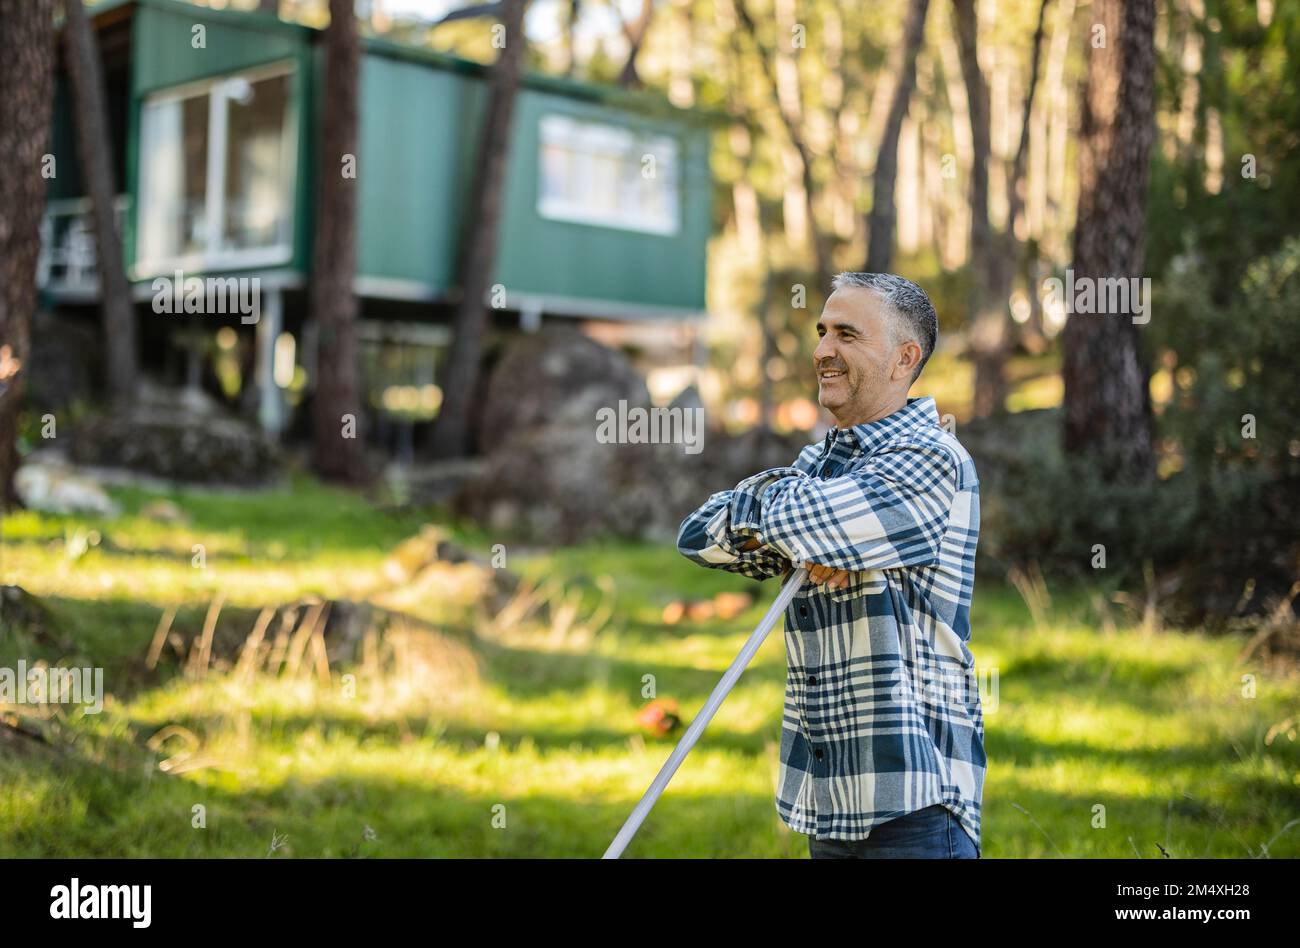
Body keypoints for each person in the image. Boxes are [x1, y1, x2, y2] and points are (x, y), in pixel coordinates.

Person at [677, 272, 984, 859]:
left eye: (846, 334)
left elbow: (795, 523)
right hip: (831, 804)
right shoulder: (819, 467)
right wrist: (813, 528)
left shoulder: (933, 458)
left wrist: (798, 521)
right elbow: (696, 536)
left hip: (916, 804)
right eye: (821, 332)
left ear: (904, 358)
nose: (821, 351)